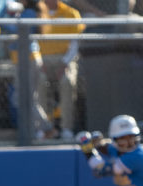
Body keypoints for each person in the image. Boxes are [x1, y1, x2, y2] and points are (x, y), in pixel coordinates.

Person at [0, 1, 54, 140]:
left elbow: (16, 27)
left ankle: (45, 128)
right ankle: (37, 130)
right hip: (22, 61)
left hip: (29, 60)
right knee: (24, 98)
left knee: (22, 98)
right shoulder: (21, 12)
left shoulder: (30, 13)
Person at [37, 0, 86, 141]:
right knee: (39, 82)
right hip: (41, 59)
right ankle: (44, 128)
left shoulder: (71, 13)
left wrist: (64, 63)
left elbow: (76, 42)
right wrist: (38, 61)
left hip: (65, 59)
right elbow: (30, 40)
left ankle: (66, 128)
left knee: (67, 82)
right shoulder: (36, 13)